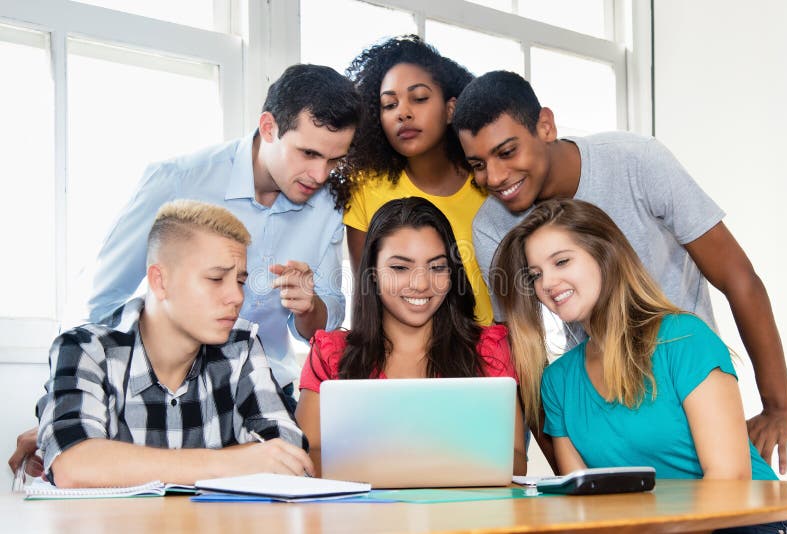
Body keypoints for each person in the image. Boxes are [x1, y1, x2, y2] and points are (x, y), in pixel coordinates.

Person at [8, 63, 361, 478]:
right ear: (268, 127)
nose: (320, 176)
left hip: (260, 386)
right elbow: (103, 304)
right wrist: (77, 409)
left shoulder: (328, 207)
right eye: (309, 154)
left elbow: (328, 317)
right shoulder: (177, 180)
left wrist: (309, 307)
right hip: (148, 392)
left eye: (334, 161)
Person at [452, 70, 787, 473]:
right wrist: (573, 473)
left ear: (545, 126)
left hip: (686, 378)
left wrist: (779, 406)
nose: (494, 177)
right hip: (603, 398)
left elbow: (737, 276)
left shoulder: (636, 161)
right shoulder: (493, 225)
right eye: (478, 164)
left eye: (507, 152)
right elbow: (520, 348)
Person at [493, 198, 787, 534]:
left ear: (605, 256)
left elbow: (729, 481)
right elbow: (584, 502)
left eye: (562, 261)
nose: (547, 283)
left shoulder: (683, 337)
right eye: (536, 275)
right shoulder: (557, 382)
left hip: (744, 524)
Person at [35, 200, 313, 487]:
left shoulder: (240, 346)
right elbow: (75, 465)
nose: (237, 297)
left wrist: (118, 460)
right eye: (216, 278)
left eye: (240, 281)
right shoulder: (86, 350)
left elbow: (288, 455)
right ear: (160, 281)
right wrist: (230, 462)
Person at [294, 197, 527, 475]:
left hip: (465, 514)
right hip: (360, 515)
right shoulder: (331, 354)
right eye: (400, 268)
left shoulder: (489, 349)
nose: (420, 284)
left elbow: (515, 461)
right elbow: (308, 457)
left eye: (437, 267)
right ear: (373, 274)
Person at [338, 35, 494, 325]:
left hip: (489, 357)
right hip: (401, 362)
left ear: (451, 109)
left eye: (419, 98)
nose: (403, 113)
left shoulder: (489, 182)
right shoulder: (366, 189)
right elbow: (367, 297)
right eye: (389, 105)